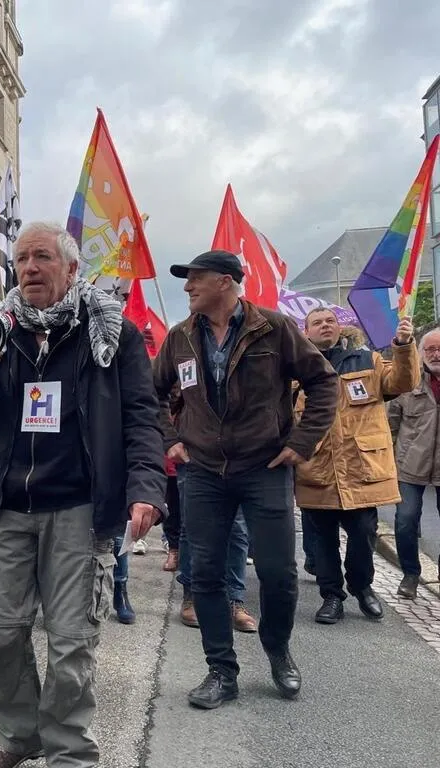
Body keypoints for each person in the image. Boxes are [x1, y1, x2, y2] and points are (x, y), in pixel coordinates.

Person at [0, 222, 165, 768]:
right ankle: (21, 735)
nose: (28, 269)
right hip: (6, 509)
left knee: (71, 642)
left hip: (76, 509)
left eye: (42, 257)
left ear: (71, 269)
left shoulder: (112, 334)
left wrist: (145, 487)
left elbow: (142, 415)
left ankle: (68, 749)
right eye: (21, 260)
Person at [153, 250, 338, 709]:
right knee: (207, 574)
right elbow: (149, 395)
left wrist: (302, 441)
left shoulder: (273, 329)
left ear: (226, 282)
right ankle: (220, 670)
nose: (188, 287)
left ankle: (278, 650)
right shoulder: (179, 338)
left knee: (278, 573)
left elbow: (324, 382)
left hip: (265, 468)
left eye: (196, 278)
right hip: (203, 473)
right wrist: (171, 438)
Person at [298, 310, 418, 623]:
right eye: (317, 322)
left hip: (360, 468)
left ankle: (362, 587)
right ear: (306, 332)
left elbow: (404, 381)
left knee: (364, 533)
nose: (325, 325)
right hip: (317, 468)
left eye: (330, 321)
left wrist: (403, 345)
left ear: (339, 328)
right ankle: (331, 596)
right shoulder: (296, 369)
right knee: (322, 541)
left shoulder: (368, 360)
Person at [387, 327, 440, 600]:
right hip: (410, 466)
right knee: (405, 521)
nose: (435, 354)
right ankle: (410, 574)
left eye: (439, 348)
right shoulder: (410, 382)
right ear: (420, 354)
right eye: (429, 349)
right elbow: (390, 424)